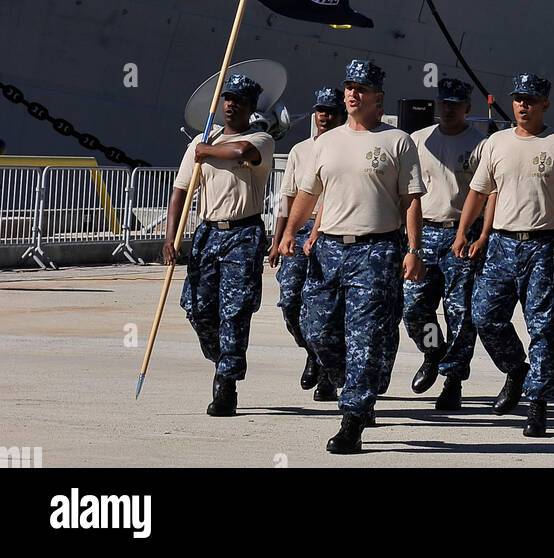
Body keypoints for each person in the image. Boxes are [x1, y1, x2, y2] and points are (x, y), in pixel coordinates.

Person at [279, 59, 425, 455]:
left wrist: (414, 250)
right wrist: (291, 233)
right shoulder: (326, 142)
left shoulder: (397, 141)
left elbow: (411, 200)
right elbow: (308, 193)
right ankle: (355, 381)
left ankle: (354, 418)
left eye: (361, 88)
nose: (352, 93)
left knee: (365, 334)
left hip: (376, 249)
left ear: (379, 97)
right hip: (327, 247)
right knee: (317, 328)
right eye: (349, 86)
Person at [454, 73, 554, 439]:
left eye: (531, 99)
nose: (523, 105)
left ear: (545, 103)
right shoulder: (496, 143)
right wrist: (464, 231)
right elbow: (478, 192)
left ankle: (537, 404)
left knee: (543, 327)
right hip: (500, 245)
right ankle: (516, 369)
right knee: (484, 316)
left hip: (543, 244)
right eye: (518, 99)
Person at [164, 72, 274, 417]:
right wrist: (171, 238)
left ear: (251, 107)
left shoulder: (260, 138)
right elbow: (181, 190)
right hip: (208, 232)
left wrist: (204, 150)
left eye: (239, 100)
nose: (231, 105)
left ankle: (226, 383)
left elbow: (242, 151)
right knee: (196, 306)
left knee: (235, 312)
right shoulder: (202, 138)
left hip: (243, 233)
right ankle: (220, 356)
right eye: (227, 98)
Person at [403, 76, 486, 413]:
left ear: (467, 107)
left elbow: (485, 193)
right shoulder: (417, 141)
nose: (448, 109)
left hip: (459, 237)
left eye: (455, 104)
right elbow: (408, 193)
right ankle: (433, 352)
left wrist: (478, 235)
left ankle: (453, 379)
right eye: (444, 103)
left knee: (460, 313)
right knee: (414, 309)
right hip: (424, 234)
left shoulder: (480, 145)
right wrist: (410, 243)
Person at [268, 87, 346, 398]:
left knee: (329, 308)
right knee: (290, 302)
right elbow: (287, 198)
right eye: (320, 110)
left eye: (330, 110)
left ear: (341, 114)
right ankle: (312, 353)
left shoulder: (345, 147)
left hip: (331, 232)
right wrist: (277, 239)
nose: (324, 116)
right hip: (299, 230)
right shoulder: (301, 150)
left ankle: (329, 371)